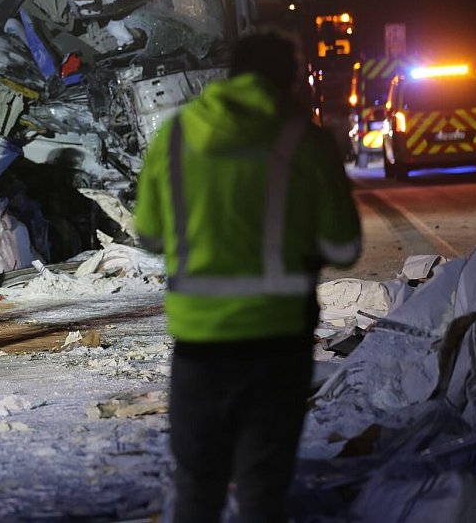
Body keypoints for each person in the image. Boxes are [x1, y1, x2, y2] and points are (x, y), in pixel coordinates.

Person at [134, 33, 361, 523]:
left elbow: (149, 235)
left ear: (230, 75)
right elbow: (345, 248)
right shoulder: (305, 138)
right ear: (289, 80)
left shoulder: (174, 135)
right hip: (278, 343)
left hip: (199, 341)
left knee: (197, 486)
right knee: (262, 487)